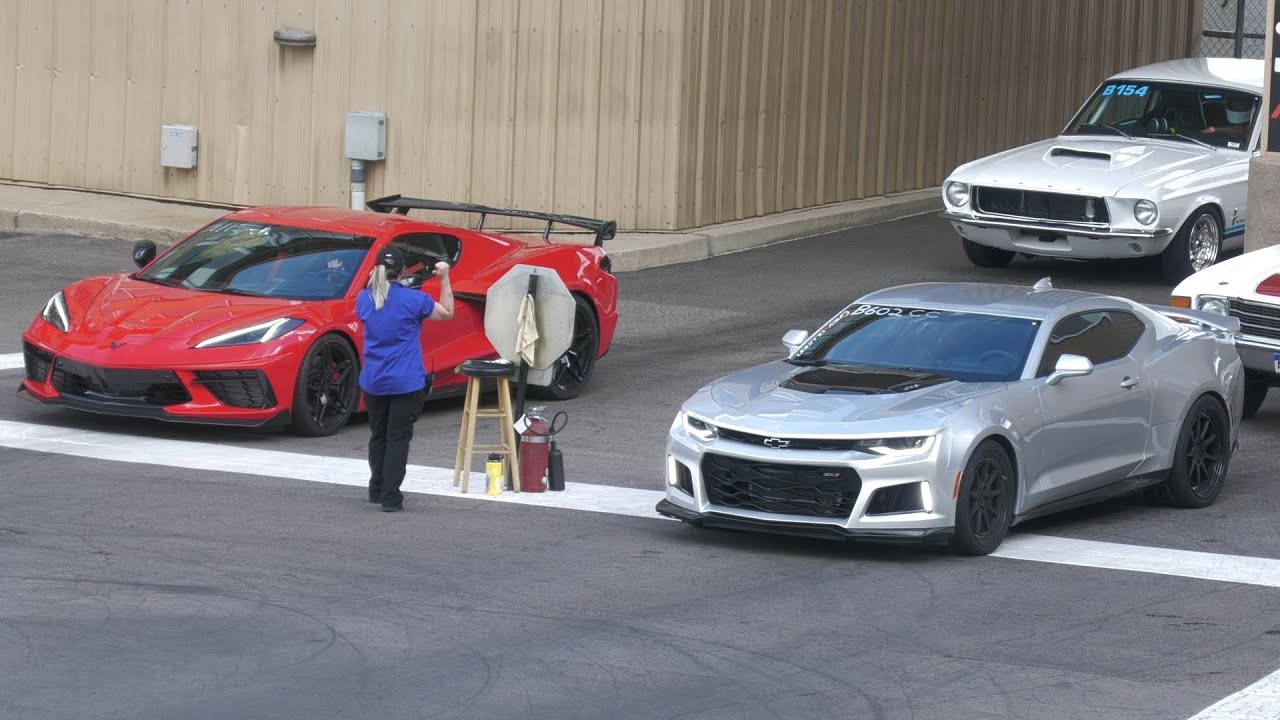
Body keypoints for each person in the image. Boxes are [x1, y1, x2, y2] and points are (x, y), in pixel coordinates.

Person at [355, 245, 453, 512]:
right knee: (397, 438)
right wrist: (444, 277)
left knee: (378, 435)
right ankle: (390, 497)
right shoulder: (413, 300)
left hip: (374, 380)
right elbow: (446, 312)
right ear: (402, 271)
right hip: (405, 381)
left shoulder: (364, 298)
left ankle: (376, 489)